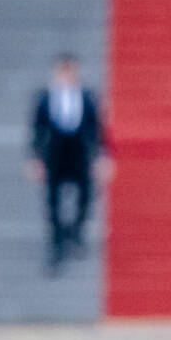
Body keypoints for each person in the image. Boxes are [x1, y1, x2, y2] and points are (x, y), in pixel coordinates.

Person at [27, 53, 108, 270]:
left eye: (70, 71)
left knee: (85, 196)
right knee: (53, 201)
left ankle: (75, 232)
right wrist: (35, 158)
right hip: (54, 155)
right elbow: (37, 130)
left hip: (79, 154)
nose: (66, 76)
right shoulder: (45, 98)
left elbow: (98, 129)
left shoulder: (87, 97)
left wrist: (103, 156)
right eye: (63, 72)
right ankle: (57, 242)